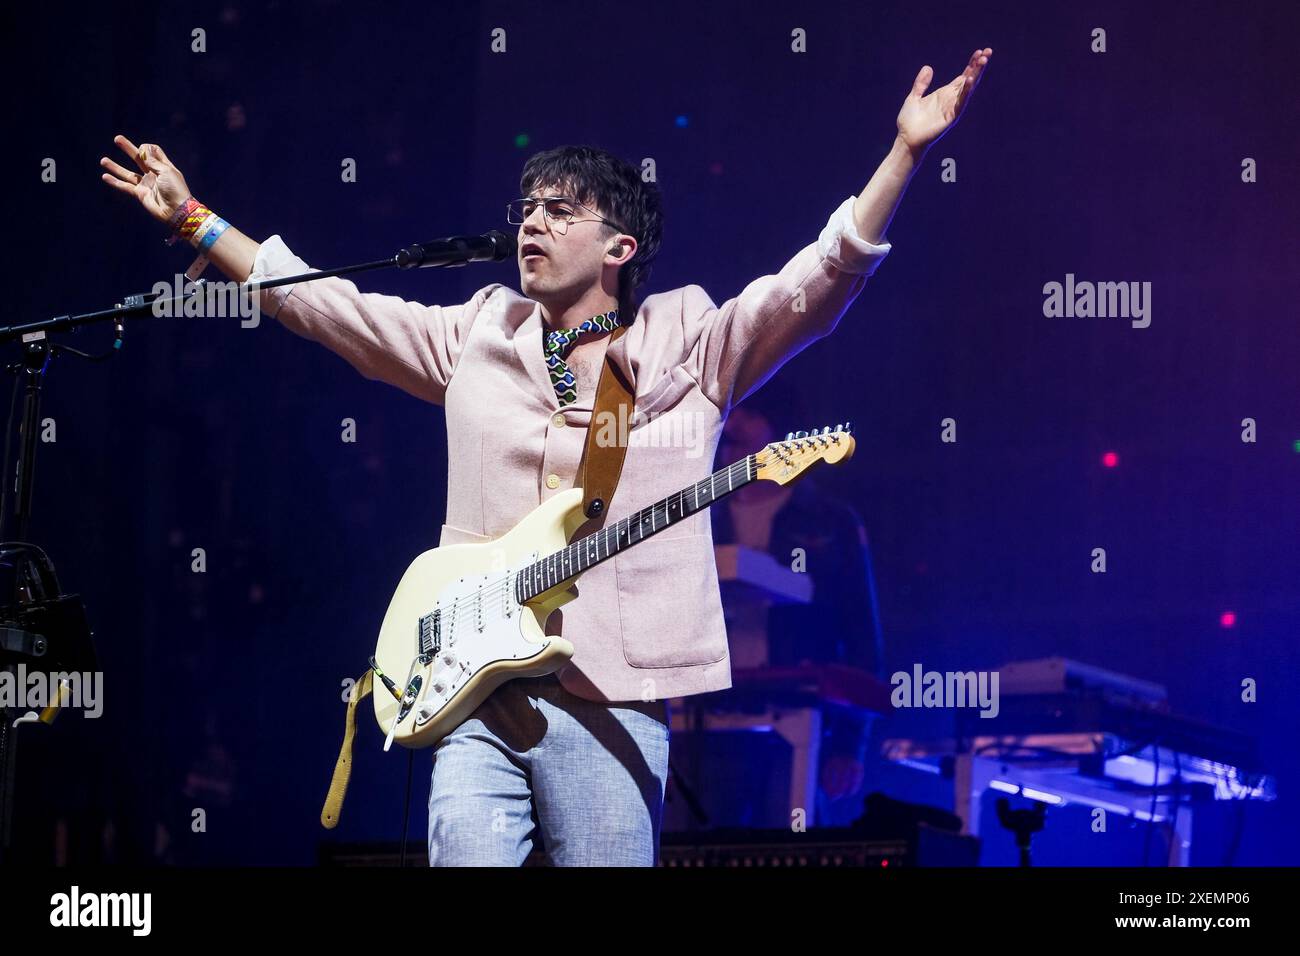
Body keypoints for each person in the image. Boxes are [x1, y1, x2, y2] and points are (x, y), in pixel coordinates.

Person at [99, 49, 992, 865]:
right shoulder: (479, 330)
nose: (531, 224)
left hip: (612, 695)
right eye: (526, 209)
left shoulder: (686, 338)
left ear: (620, 247)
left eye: (560, 211)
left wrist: (904, 154)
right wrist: (193, 219)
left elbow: (815, 284)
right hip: (474, 689)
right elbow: (331, 307)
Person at [713, 389, 884, 822]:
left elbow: (862, 632)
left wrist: (850, 745)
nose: (732, 426)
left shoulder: (830, 520)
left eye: (748, 414)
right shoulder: (700, 513)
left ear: (779, 431)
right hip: (707, 715)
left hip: (796, 716)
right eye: (730, 414)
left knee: (785, 836)